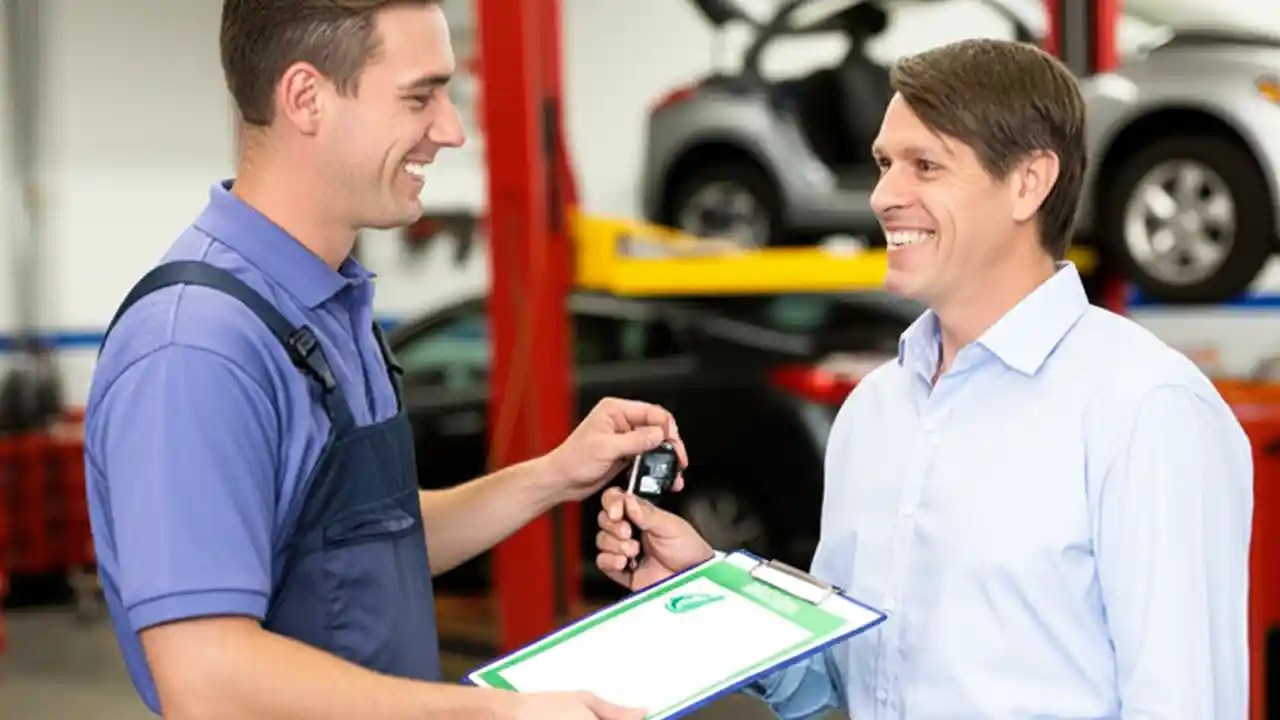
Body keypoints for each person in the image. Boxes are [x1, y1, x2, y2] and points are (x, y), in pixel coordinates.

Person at [596, 38, 1254, 719]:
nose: (884, 196)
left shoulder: (1145, 408)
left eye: (925, 166)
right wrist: (708, 592)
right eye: (884, 164)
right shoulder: (876, 410)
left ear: (1029, 181)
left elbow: (1186, 703)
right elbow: (845, 677)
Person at [83, 2, 681, 718]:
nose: (452, 130)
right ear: (306, 98)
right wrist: (499, 714)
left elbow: (365, 549)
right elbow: (206, 680)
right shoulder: (198, 348)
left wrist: (554, 476)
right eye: (419, 97)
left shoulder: (325, 305)